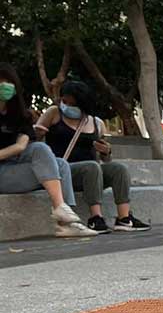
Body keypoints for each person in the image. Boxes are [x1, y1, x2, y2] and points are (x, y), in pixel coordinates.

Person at [35, 80, 150, 233]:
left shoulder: (96, 123)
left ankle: (124, 218)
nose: (67, 106)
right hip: (63, 171)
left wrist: (106, 151)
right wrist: (38, 133)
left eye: (72, 103)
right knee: (91, 166)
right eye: (64, 101)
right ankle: (96, 218)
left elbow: (106, 160)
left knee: (118, 169)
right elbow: (35, 136)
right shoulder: (54, 113)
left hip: (92, 175)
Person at [0, 64, 95, 237]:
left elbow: (25, 145)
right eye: (1, 82)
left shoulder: (21, 115)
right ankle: (62, 211)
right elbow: (21, 146)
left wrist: (20, 147)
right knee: (41, 152)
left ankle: (66, 221)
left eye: (8, 82)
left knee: (59, 163)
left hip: (15, 167)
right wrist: (18, 148)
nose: (4, 86)